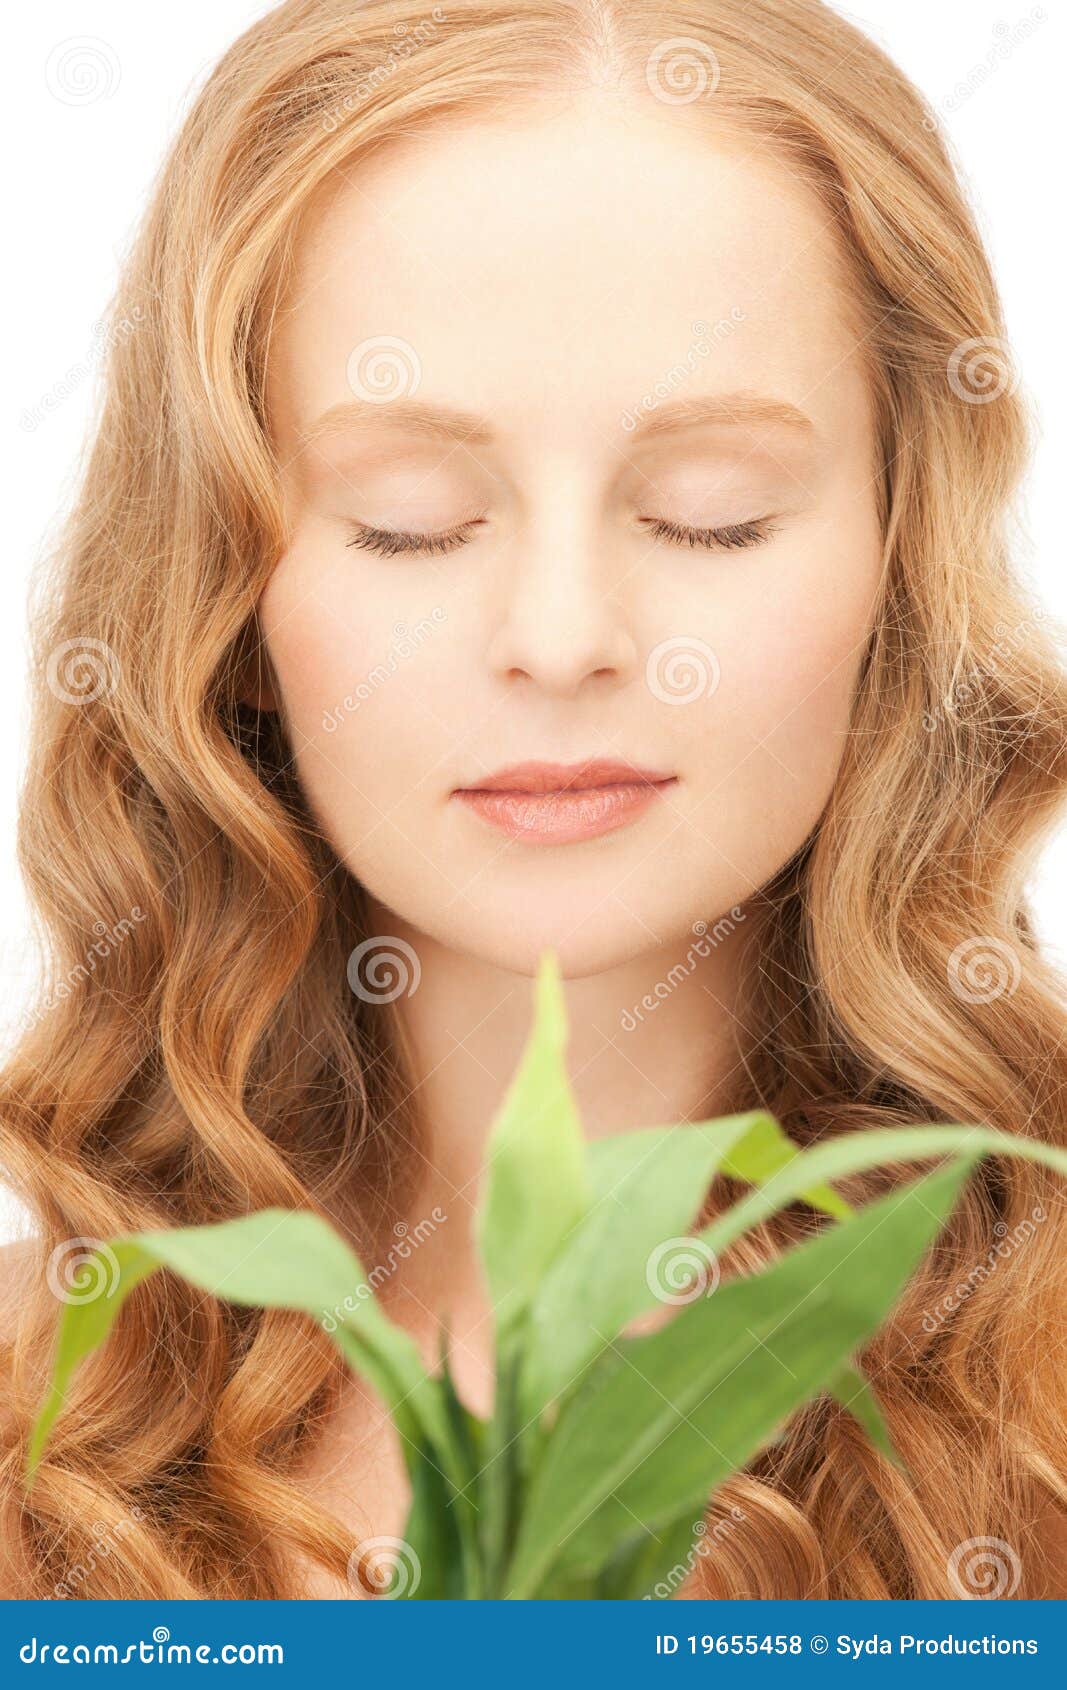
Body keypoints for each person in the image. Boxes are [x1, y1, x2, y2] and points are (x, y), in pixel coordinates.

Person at [1, 0, 1064, 1600]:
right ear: (229, 590)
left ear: (895, 557)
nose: (563, 639)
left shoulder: (1033, 1411)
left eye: (713, 515)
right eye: (411, 521)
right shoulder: (36, 1414)